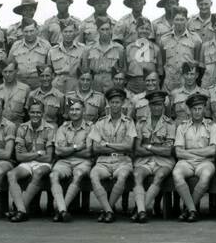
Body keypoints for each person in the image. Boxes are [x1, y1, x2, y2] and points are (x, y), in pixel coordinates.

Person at [88, 88, 137, 223]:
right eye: (112, 102)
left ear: (122, 104)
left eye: (118, 102)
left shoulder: (128, 122)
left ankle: (105, 210)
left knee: (122, 177)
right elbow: (96, 147)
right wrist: (114, 146)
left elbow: (128, 146)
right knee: (94, 175)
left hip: (123, 161)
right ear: (108, 104)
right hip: (103, 161)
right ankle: (109, 210)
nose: (115, 105)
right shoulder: (100, 122)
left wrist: (107, 144)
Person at [130, 90, 176, 223]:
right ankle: (142, 211)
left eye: (160, 105)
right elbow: (137, 149)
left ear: (163, 106)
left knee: (160, 176)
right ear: (149, 106)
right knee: (137, 175)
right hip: (143, 160)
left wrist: (149, 147)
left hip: (164, 162)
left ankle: (139, 209)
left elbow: (168, 152)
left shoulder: (170, 124)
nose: (157, 108)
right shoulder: (141, 123)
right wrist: (158, 149)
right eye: (154, 105)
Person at [171, 93, 216, 221]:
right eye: (194, 109)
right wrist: (200, 151)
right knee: (176, 173)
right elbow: (178, 152)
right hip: (186, 162)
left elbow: (213, 150)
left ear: (204, 109)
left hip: (205, 162)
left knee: (206, 175)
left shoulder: (212, 126)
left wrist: (191, 151)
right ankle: (192, 209)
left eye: (200, 108)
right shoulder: (182, 127)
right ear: (190, 110)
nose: (197, 112)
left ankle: (188, 209)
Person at [7, 100, 55, 222]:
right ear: (28, 113)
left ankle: (18, 210)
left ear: (43, 113)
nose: (35, 115)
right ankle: (22, 210)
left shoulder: (49, 129)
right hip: (28, 162)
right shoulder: (22, 128)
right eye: (32, 112)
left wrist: (27, 154)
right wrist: (38, 153)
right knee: (11, 174)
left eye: (38, 112)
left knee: (38, 172)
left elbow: (48, 158)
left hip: (44, 164)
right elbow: (19, 157)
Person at [48, 99, 92, 222]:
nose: (74, 112)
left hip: (83, 162)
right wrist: (77, 147)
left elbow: (89, 152)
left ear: (83, 111)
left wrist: (68, 148)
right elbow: (58, 151)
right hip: (64, 162)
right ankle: (63, 211)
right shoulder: (63, 127)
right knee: (53, 175)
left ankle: (61, 209)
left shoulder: (90, 127)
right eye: (72, 109)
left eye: (77, 109)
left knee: (78, 174)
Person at [159, 8, 203, 92]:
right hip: (169, 84)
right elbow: (163, 61)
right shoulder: (164, 39)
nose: (179, 22)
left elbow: (198, 62)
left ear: (187, 20)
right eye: (177, 19)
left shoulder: (195, 39)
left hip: (187, 84)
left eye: (182, 19)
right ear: (172, 20)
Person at [8, 20, 50, 90]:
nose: (29, 34)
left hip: (39, 84)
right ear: (22, 31)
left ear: (36, 30)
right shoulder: (16, 45)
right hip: (20, 84)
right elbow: (10, 65)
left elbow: (50, 66)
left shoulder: (45, 45)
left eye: (31, 31)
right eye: (26, 32)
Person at [48, 22, 87, 96]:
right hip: (57, 84)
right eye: (65, 32)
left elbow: (85, 70)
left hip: (74, 84)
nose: (68, 34)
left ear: (74, 33)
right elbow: (49, 71)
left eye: (70, 31)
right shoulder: (52, 51)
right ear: (61, 33)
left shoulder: (82, 49)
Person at [124, 18, 161, 93]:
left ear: (150, 31)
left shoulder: (156, 49)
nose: (144, 31)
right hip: (132, 84)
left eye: (147, 29)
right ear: (136, 29)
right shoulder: (129, 48)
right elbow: (125, 69)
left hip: (151, 84)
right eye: (142, 28)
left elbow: (160, 71)